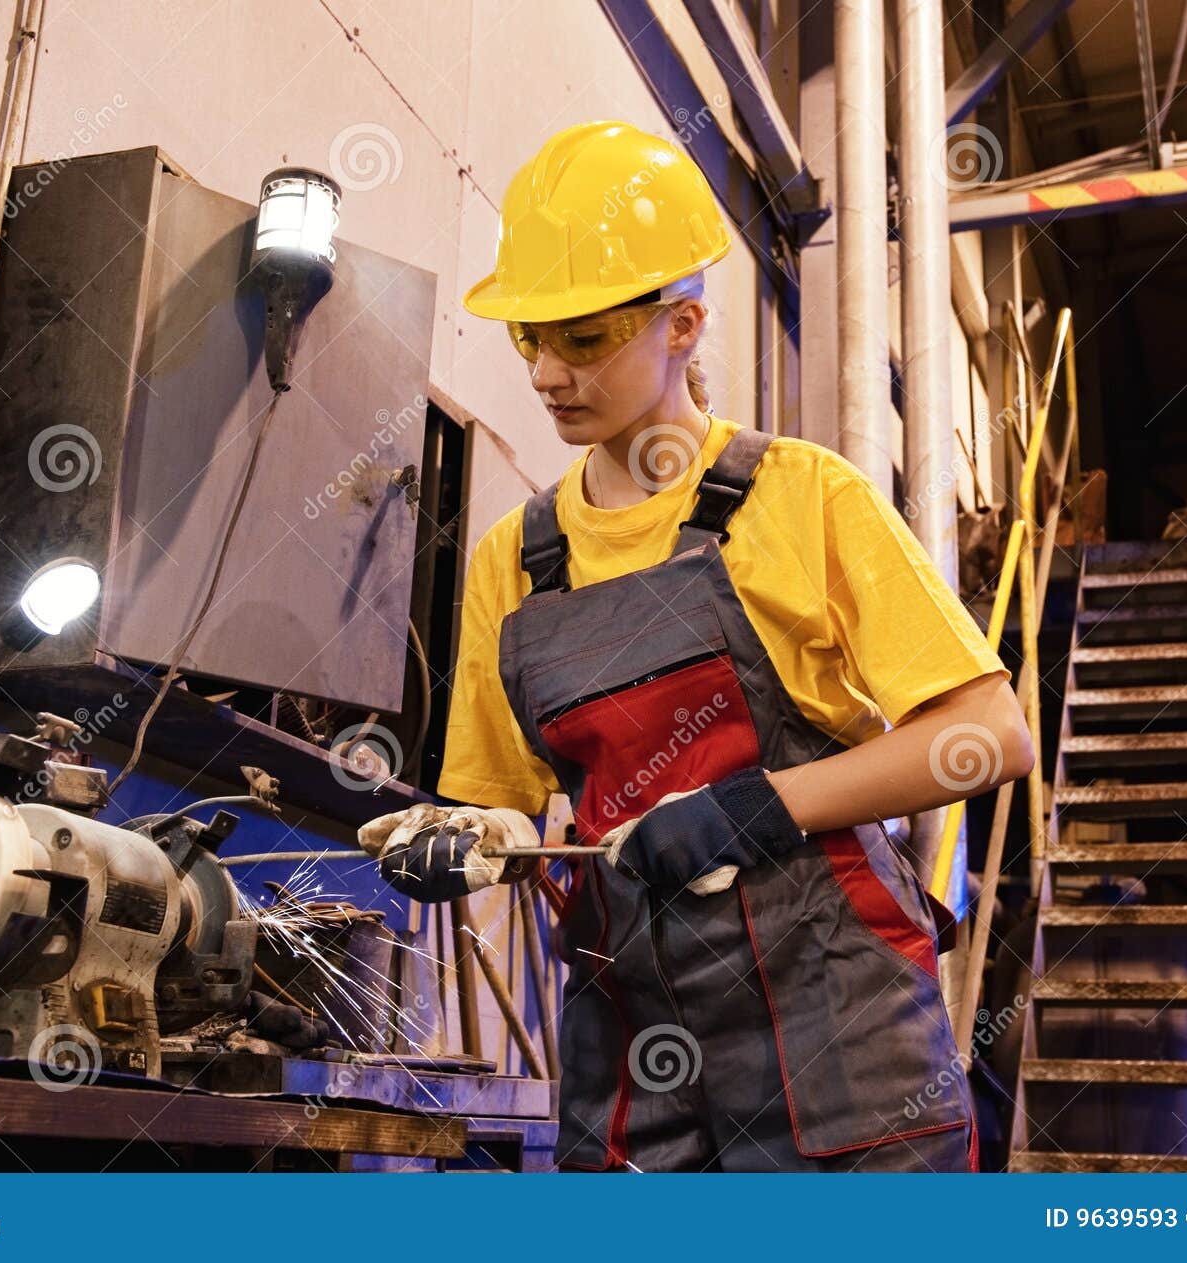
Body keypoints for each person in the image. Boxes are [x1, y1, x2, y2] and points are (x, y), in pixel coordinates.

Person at [357, 119, 1034, 1172]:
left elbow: (987, 737)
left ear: (681, 325)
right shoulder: (515, 560)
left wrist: (751, 811)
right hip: (633, 1060)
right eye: (526, 338)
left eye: (582, 337)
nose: (545, 373)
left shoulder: (799, 496)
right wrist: (465, 840)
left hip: (841, 1052)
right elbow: (502, 798)